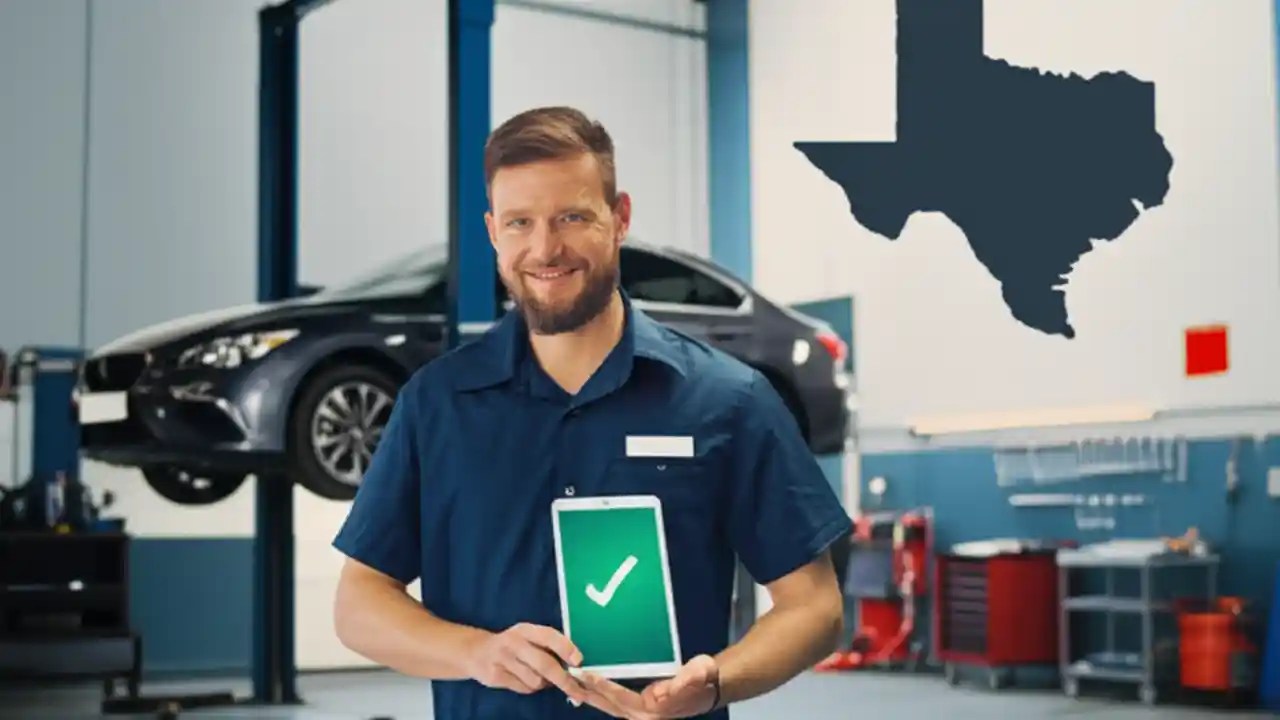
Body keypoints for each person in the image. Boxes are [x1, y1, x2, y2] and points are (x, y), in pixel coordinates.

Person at [331, 106, 852, 720]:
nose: (545, 248)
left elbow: (814, 606)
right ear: (494, 232)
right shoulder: (437, 405)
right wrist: (476, 653)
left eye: (572, 217)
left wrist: (717, 681)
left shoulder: (728, 401)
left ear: (620, 217)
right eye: (521, 223)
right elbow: (359, 603)